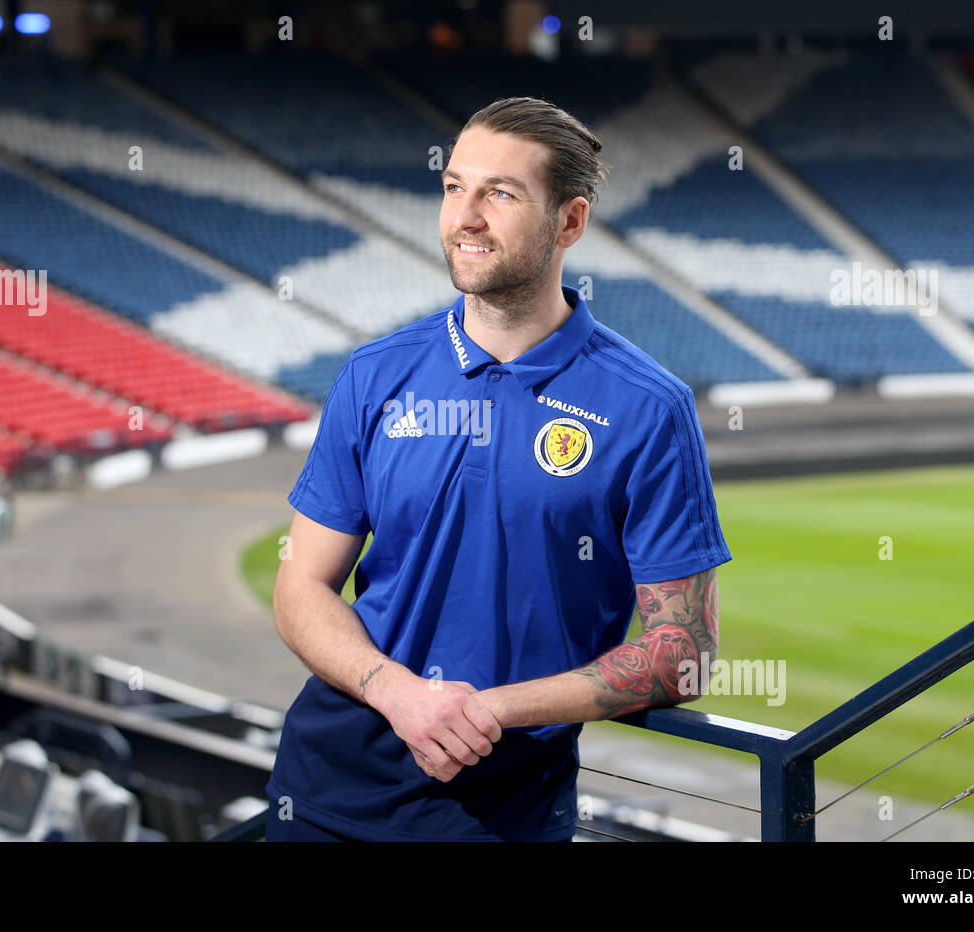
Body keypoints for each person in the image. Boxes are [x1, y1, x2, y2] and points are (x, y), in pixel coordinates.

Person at [264, 96, 730, 842]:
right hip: (322, 797)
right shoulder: (374, 374)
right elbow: (300, 585)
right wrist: (401, 694)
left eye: (499, 194)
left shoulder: (648, 409)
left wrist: (487, 709)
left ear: (570, 222)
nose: (464, 217)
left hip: (501, 816)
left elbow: (682, 656)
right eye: (454, 187)